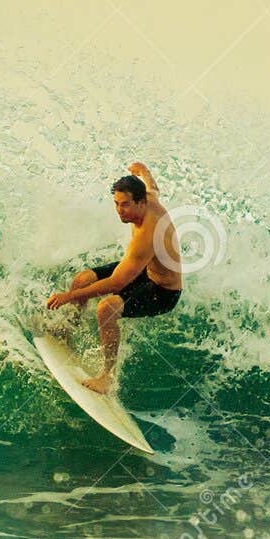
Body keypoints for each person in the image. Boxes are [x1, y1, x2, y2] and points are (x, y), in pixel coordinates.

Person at [45, 162, 182, 394]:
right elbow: (153, 187)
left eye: (126, 205)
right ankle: (67, 331)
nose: (120, 211)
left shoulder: (149, 233)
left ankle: (107, 377)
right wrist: (143, 172)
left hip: (163, 292)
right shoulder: (149, 198)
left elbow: (117, 283)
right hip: (144, 270)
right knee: (82, 279)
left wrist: (69, 297)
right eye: (117, 204)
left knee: (106, 308)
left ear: (141, 202)